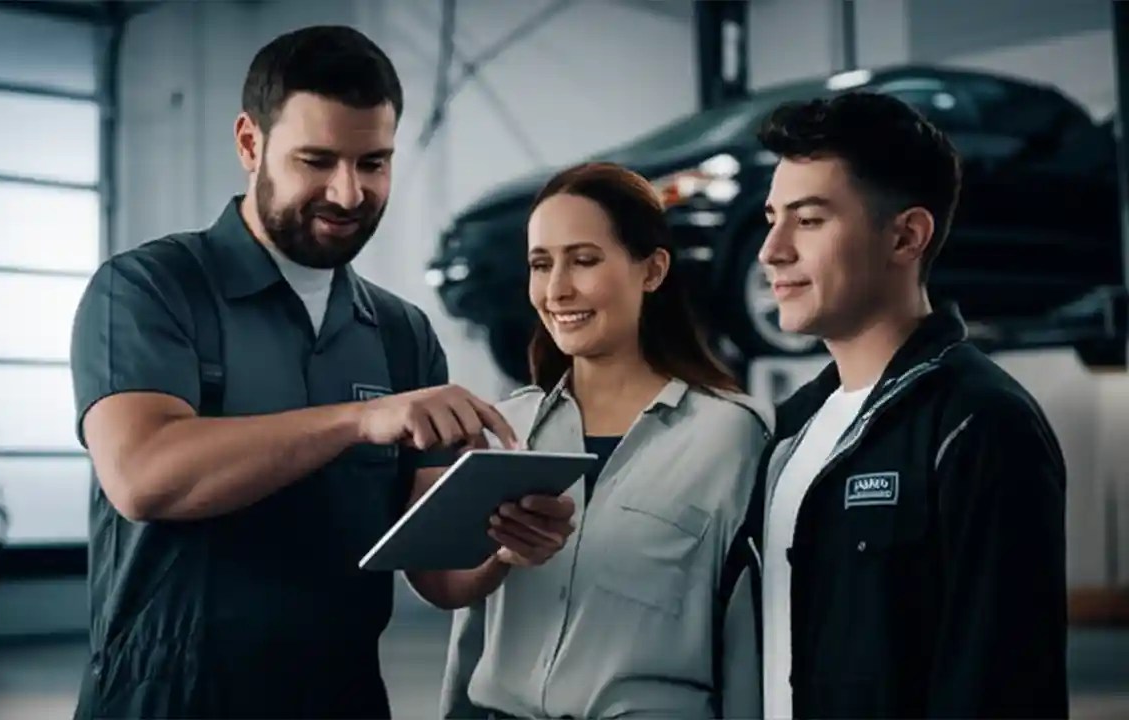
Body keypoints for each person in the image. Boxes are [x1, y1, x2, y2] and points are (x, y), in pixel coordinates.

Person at [68, 26, 537, 719]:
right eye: (317, 161)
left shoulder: (403, 335)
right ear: (249, 144)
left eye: (373, 163)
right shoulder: (148, 290)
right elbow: (143, 475)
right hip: (171, 700)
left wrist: (505, 542)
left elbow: (440, 575)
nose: (348, 193)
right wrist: (358, 421)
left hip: (342, 698)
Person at [748, 91, 1069, 718]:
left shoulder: (980, 423)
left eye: (808, 220)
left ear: (906, 236)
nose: (772, 250)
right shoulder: (786, 432)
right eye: (771, 218)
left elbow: (1003, 686)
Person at [415, 162, 771, 719]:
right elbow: (469, 630)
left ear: (652, 270)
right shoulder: (507, 430)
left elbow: (749, 637)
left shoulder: (732, 435)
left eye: (584, 260)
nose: (557, 290)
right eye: (541, 264)